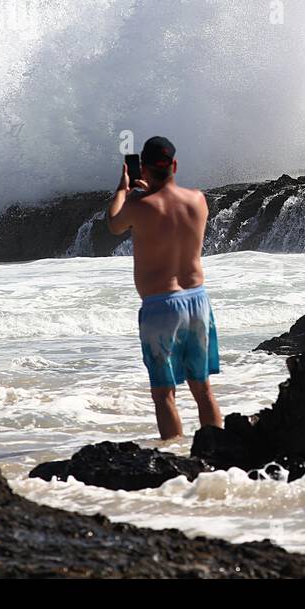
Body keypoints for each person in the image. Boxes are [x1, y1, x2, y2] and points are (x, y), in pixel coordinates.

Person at [106, 136, 222, 440]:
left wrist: (123, 189)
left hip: (162, 307)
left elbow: (114, 223)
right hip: (197, 301)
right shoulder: (197, 199)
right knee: (203, 388)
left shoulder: (139, 206)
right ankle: (219, 452)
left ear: (142, 169)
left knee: (164, 393)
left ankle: (174, 459)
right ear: (174, 165)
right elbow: (168, 209)